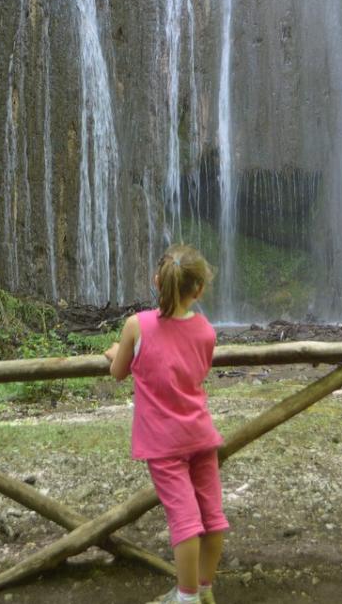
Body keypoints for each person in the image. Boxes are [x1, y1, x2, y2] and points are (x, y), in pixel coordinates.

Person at [104, 244, 228, 604]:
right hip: (201, 435)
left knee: (185, 521)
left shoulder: (135, 326)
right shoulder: (206, 330)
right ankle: (205, 588)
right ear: (199, 289)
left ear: (157, 281)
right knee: (213, 516)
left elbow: (117, 371)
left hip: (164, 443)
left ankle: (185, 597)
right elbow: (198, 370)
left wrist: (114, 351)